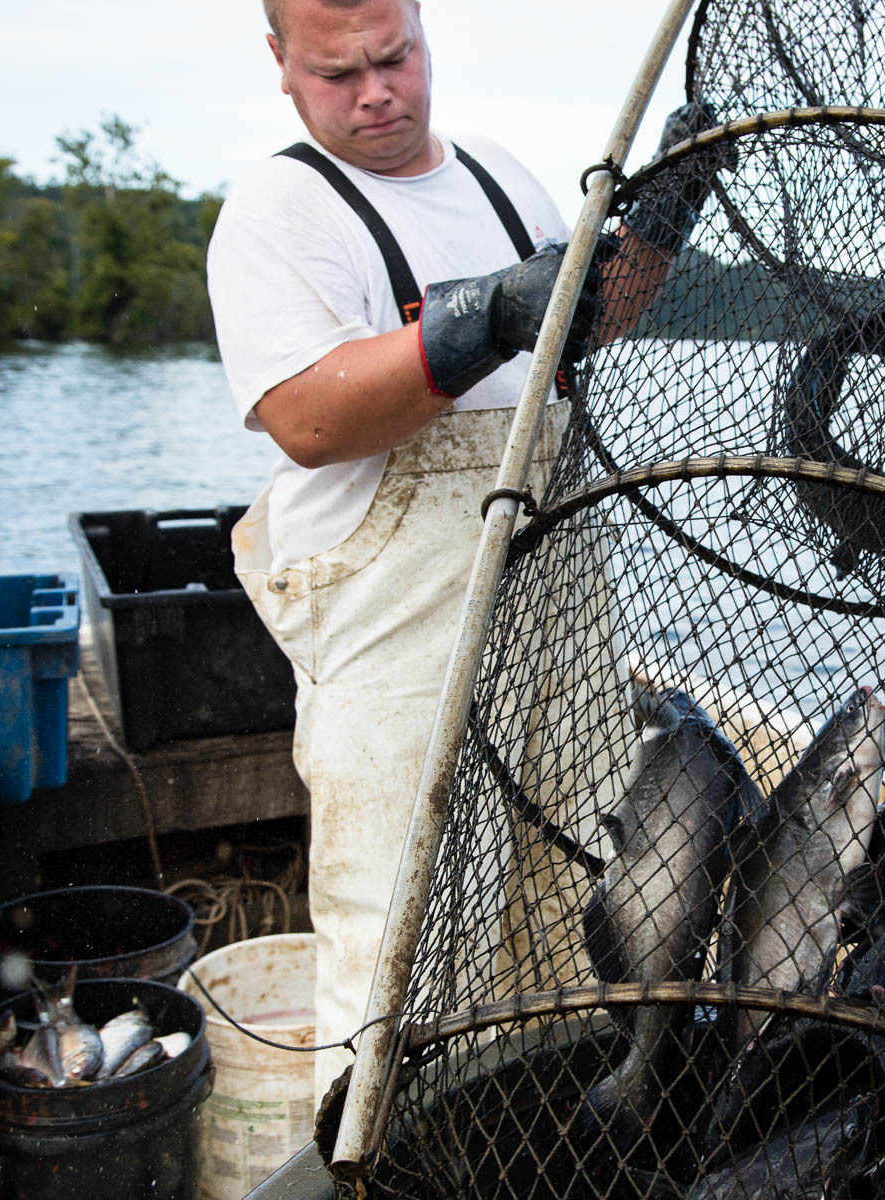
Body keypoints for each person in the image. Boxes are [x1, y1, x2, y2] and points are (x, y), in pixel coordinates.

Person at [207, 0, 712, 1104]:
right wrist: (475, 320)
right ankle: (375, 1165)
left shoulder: (500, 175)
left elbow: (587, 317)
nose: (378, 91)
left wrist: (659, 228)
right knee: (407, 927)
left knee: (571, 892)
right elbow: (309, 417)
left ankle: (534, 1151)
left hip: (555, 590)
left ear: (425, 31)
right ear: (281, 63)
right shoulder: (278, 211)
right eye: (341, 73)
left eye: (396, 58)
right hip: (401, 621)